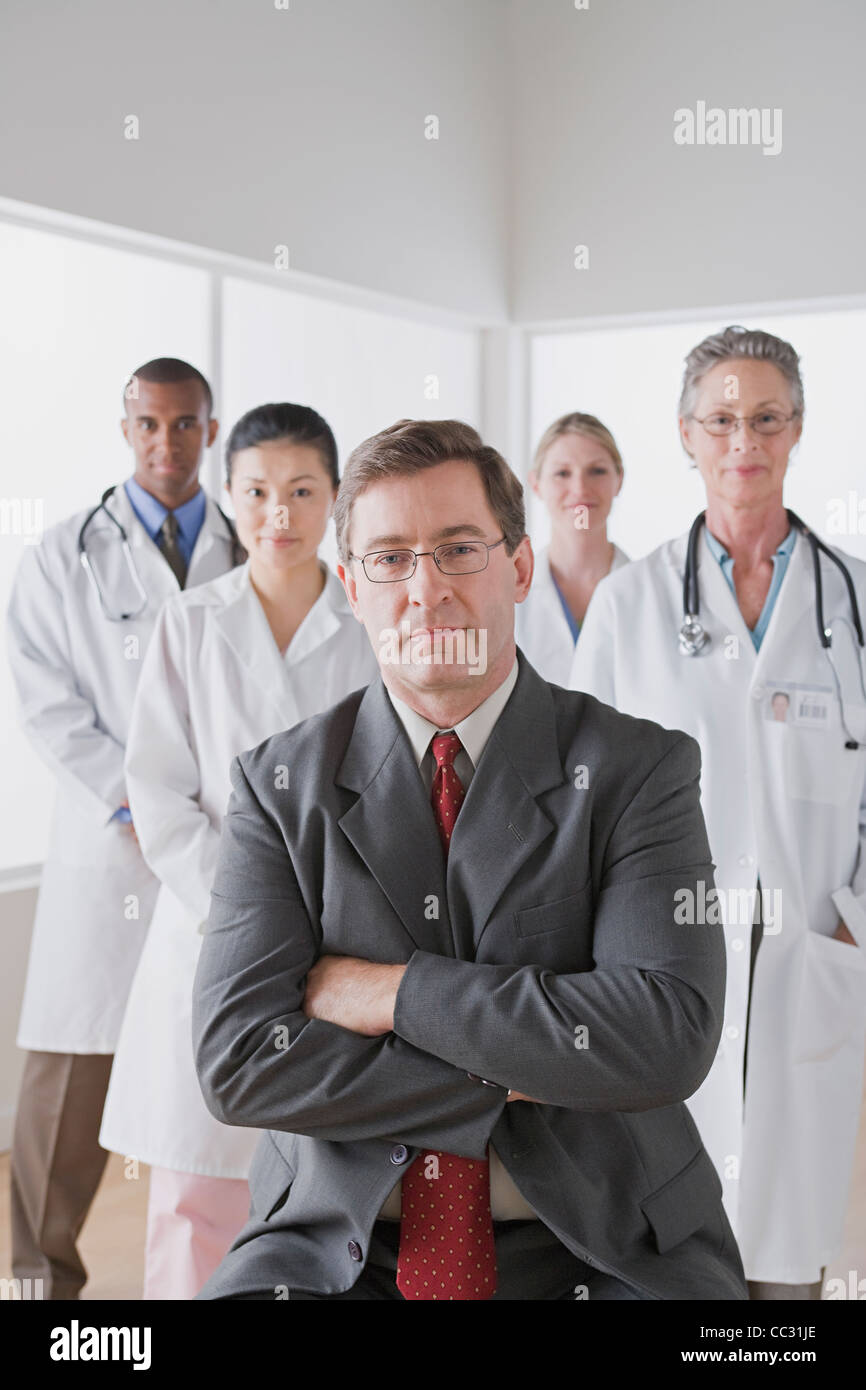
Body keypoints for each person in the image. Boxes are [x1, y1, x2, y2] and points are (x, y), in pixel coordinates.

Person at [190, 417, 747, 1301]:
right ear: (350, 585)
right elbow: (241, 1059)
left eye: (458, 549)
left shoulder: (640, 770)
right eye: (390, 558)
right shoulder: (279, 786)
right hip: (340, 1246)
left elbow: (666, 1037)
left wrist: (387, 994)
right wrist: (534, 1064)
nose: (426, 589)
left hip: (605, 1244)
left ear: (518, 567)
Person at [570, 325, 866, 1299]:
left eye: (766, 417)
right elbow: (580, 795)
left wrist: (848, 922)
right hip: (665, 961)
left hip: (805, 959)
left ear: (795, 430)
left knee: (786, 1263)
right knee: (671, 1257)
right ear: (686, 435)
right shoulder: (629, 601)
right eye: (721, 418)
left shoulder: (852, 602)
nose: (745, 438)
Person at [98, 403, 379, 1299]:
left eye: (302, 492)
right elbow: (160, 791)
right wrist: (250, 908)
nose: (279, 515)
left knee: (323, 1201)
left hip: (341, 947)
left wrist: (318, 915)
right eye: (256, 492)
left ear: (336, 501)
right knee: (194, 1198)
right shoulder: (189, 623)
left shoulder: (369, 625)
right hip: (209, 938)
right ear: (228, 497)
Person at [5, 357, 241, 1299]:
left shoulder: (247, 546)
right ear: (125, 427)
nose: (166, 444)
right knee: (67, 1082)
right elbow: (45, 700)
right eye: (149, 424)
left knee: (203, 1089)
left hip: (211, 851)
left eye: (184, 425)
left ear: (210, 431)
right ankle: (38, 1282)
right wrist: (135, 800)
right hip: (111, 852)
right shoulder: (64, 555)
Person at [514, 412, 629, 684]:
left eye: (597, 471)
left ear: (619, 480)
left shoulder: (647, 591)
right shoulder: (507, 595)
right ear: (536, 484)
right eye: (562, 473)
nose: (580, 488)